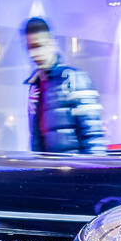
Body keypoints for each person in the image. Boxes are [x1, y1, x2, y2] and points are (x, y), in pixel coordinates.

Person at [22, 17, 106, 154]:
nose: (34, 54)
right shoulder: (34, 86)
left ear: (52, 44)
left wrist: (95, 174)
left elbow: (94, 138)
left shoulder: (74, 79)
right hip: (49, 172)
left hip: (77, 172)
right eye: (30, 48)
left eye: (39, 46)